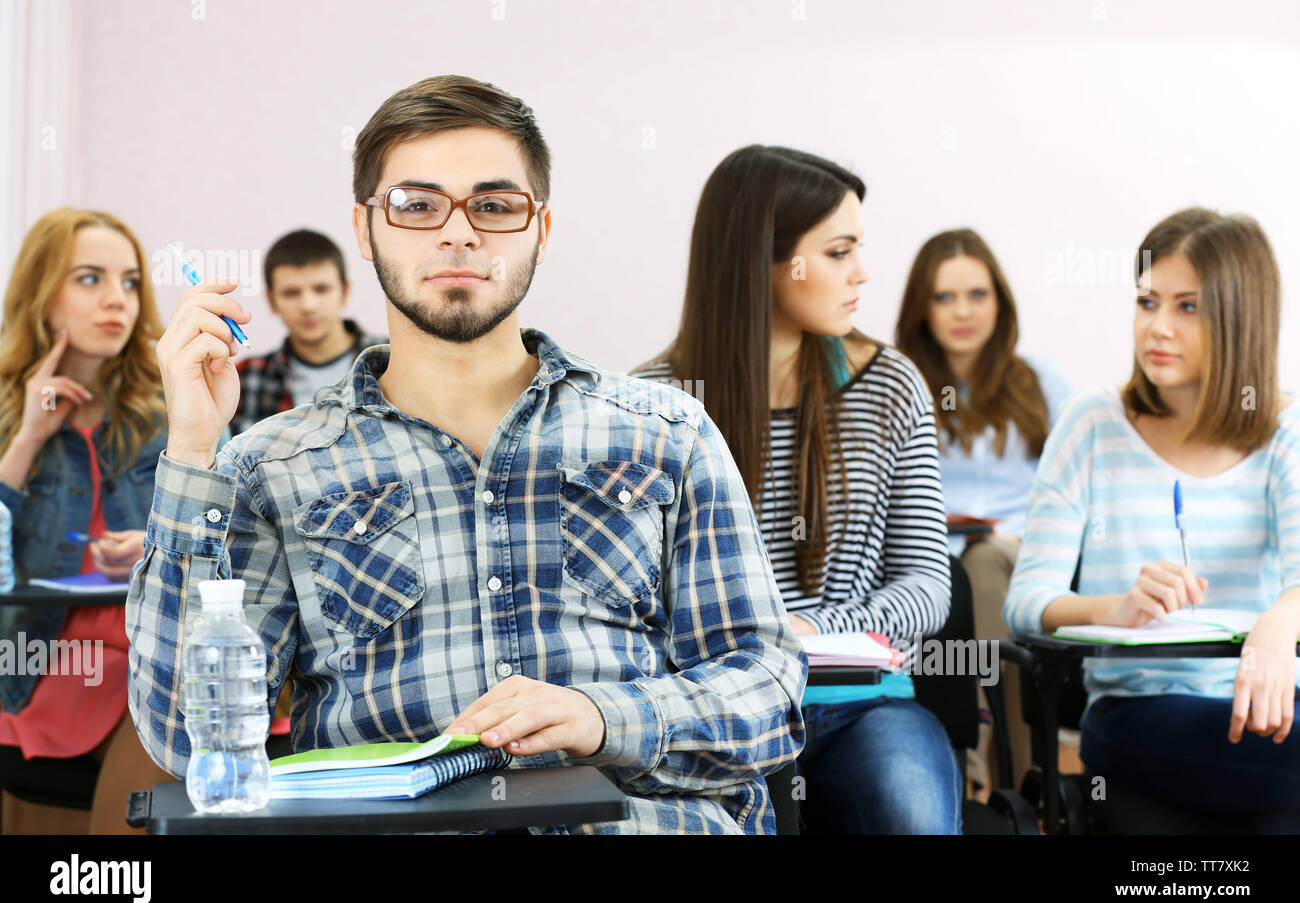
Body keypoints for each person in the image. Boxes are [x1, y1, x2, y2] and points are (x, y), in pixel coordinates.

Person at [125, 75, 807, 835]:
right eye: (416, 206)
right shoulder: (270, 465)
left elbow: (769, 696)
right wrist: (191, 449)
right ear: (365, 228)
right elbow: (187, 740)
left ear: (541, 228)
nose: (458, 233)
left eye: (494, 204)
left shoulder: (668, 433)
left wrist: (603, 716)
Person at [632, 145, 959, 833]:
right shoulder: (654, 405)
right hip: (713, 713)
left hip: (860, 703)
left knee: (910, 811)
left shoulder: (890, 385)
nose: (863, 273)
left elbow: (929, 582)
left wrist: (812, 630)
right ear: (765, 261)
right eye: (839, 251)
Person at [1004, 207, 1300, 821]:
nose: (1157, 328)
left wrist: (1276, 625)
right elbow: (1026, 600)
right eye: (1147, 302)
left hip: (1269, 706)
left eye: (1187, 307)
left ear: (1241, 317)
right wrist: (1115, 609)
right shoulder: (1091, 423)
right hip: (1138, 717)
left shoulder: (1285, 430)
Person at [0, 208, 225, 833]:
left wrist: (154, 548)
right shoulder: (8, 413)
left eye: (129, 282)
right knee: (175, 708)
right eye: (90, 279)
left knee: (185, 696)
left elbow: (232, 543)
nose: (117, 300)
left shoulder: (171, 410)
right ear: (42, 296)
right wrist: (26, 441)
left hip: (160, 645)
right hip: (51, 658)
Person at [895, 228, 1072, 796]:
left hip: (1022, 556)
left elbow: (1073, 491)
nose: (963, 312)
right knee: (959, 575)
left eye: (977, 294)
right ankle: (1014, 784)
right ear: (922, 309)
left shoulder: (1041, 383)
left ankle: (984, 777)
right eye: (945, 298)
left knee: (985, 564)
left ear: (1000, 300)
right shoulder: (900, 385)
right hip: (933, 561)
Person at [231, 229, 387, 435]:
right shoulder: (244, 378)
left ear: (345, 291)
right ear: (271, 300)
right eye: (291, 293)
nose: (308, 305)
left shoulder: (392, 360)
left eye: (321, 289)